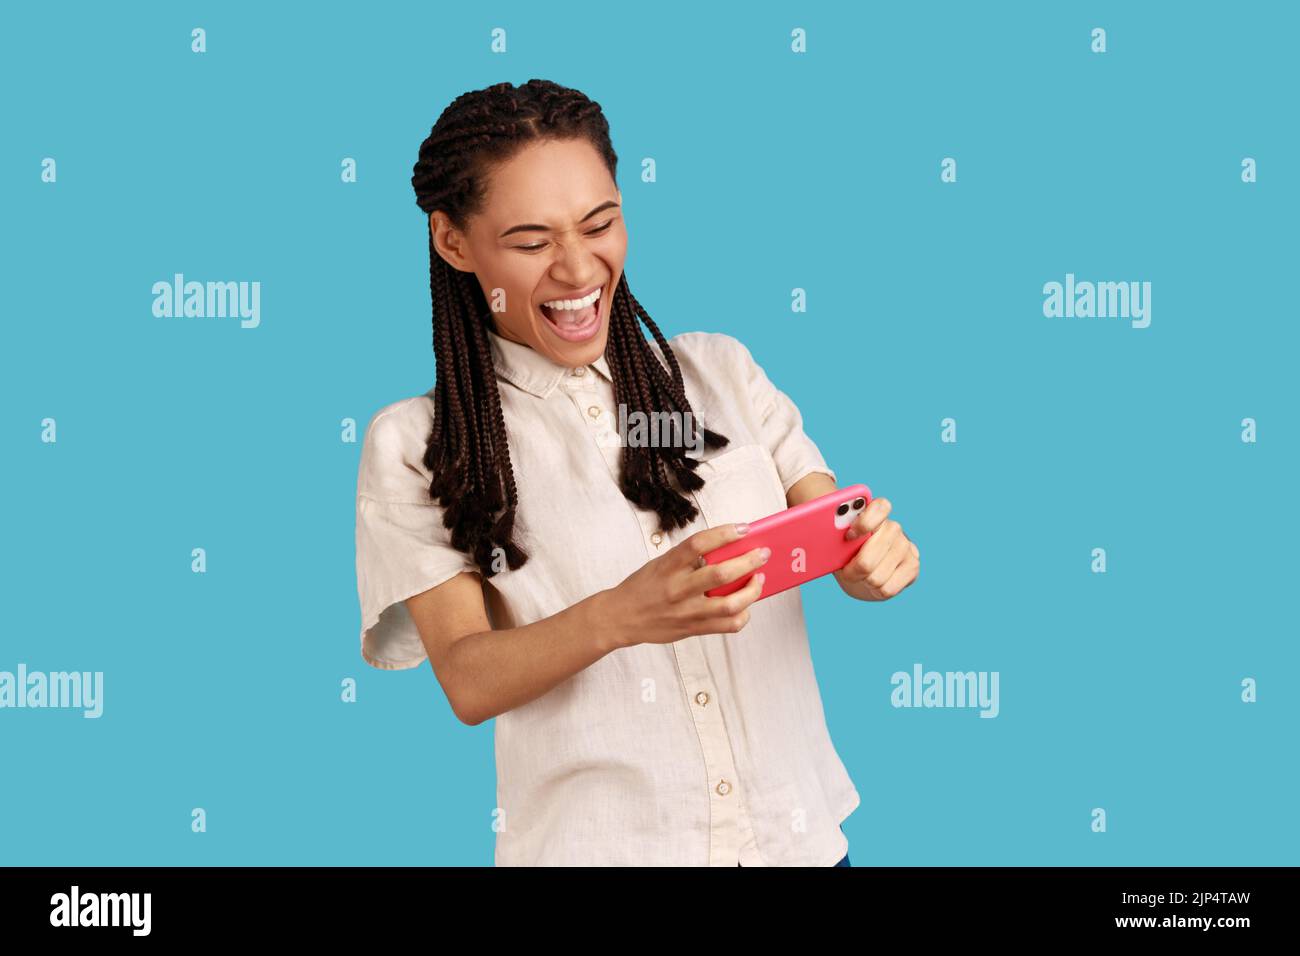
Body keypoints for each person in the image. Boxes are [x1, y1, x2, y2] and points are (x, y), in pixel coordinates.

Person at [355, 79, 920, 866]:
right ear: (454, 242)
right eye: (529, 242)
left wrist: (868, 560)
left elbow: (833, 528)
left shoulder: (722, 373)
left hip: (797, 844)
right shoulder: (418, 443)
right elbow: (469, 679)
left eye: (601, 223)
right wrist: (620, 615)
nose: (577, 267)